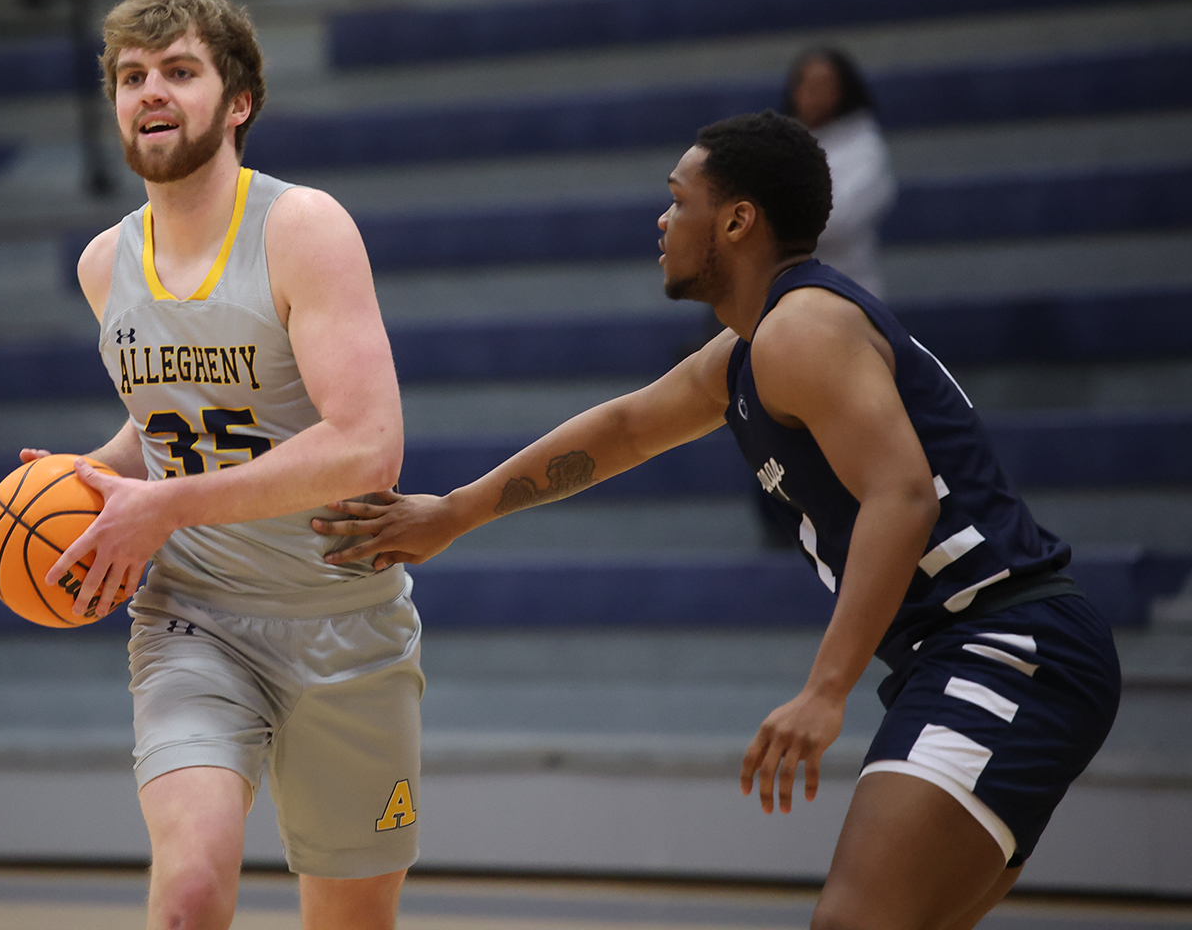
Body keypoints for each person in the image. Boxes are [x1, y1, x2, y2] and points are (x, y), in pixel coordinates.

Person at [315, 112, 1121, 930]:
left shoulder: (802, 330)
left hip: (1004, 645)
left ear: (737, 221)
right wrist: (455, 512)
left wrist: (825, 690)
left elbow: (903, 497)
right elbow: (625, 430)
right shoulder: (749, 352)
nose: (663, 221)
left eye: (679, 200)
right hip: (975, 651)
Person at [0, 0, 415, 930]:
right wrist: (85, 482)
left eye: (179, 70)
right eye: (131, 76)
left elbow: (370, 447)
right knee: (191, 895)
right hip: (194, 618)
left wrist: (165, 505)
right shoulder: (105, 264)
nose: (150, 92)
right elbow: (164, 427)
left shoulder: (302, 229)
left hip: (343, 620)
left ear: (238, 101)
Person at [785, 48, 897, 297]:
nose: (811, 93)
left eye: (822, 85)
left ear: (843, 90)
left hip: (847, 285)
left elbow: (835, 220)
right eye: (804, 83)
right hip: (787, 286)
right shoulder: (780, 141)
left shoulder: (865, 148)